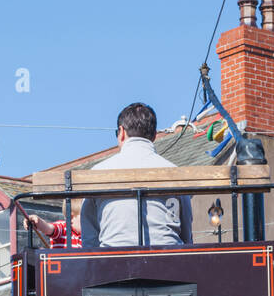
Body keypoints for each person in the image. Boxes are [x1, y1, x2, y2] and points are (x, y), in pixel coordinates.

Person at [80, 103, 193, 249]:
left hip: (112, 262)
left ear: (121, 132)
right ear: (154, 135)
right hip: (167, 261)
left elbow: (90, 239)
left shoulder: (98, 172)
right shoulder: (174, 172)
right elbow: (186, 234)